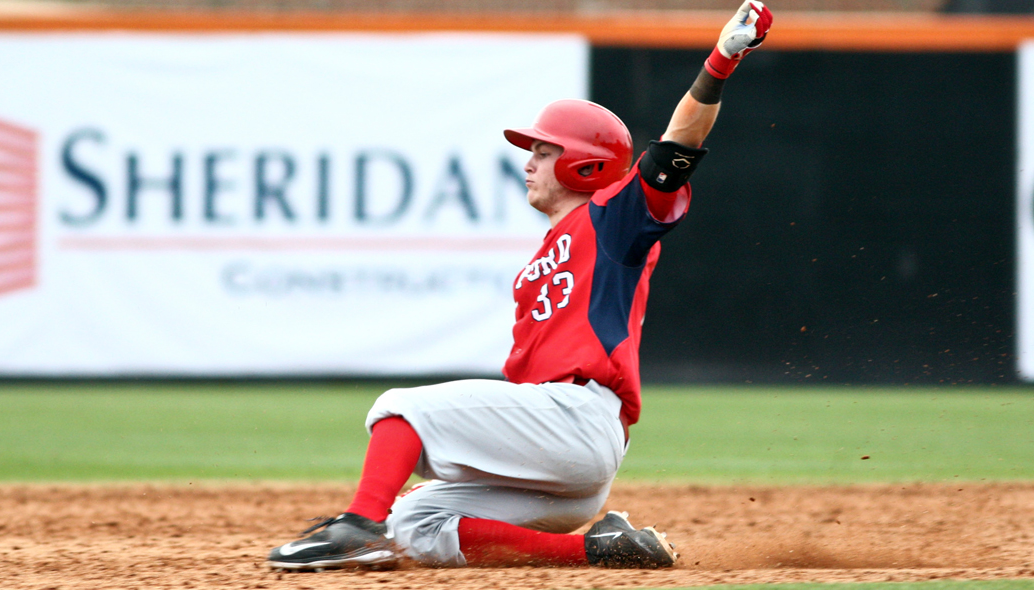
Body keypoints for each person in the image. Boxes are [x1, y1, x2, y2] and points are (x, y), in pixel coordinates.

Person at [267, 0, 773, 571]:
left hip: (578, 421)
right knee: (415, 525)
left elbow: (678, 145)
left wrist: (720, 60)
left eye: (543, 151)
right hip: (561, 458)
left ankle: (357, 527)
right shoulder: (546, 254)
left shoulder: (613, 219)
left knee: (400, 409)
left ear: (583, 164)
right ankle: (604, 550)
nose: (528, 163)